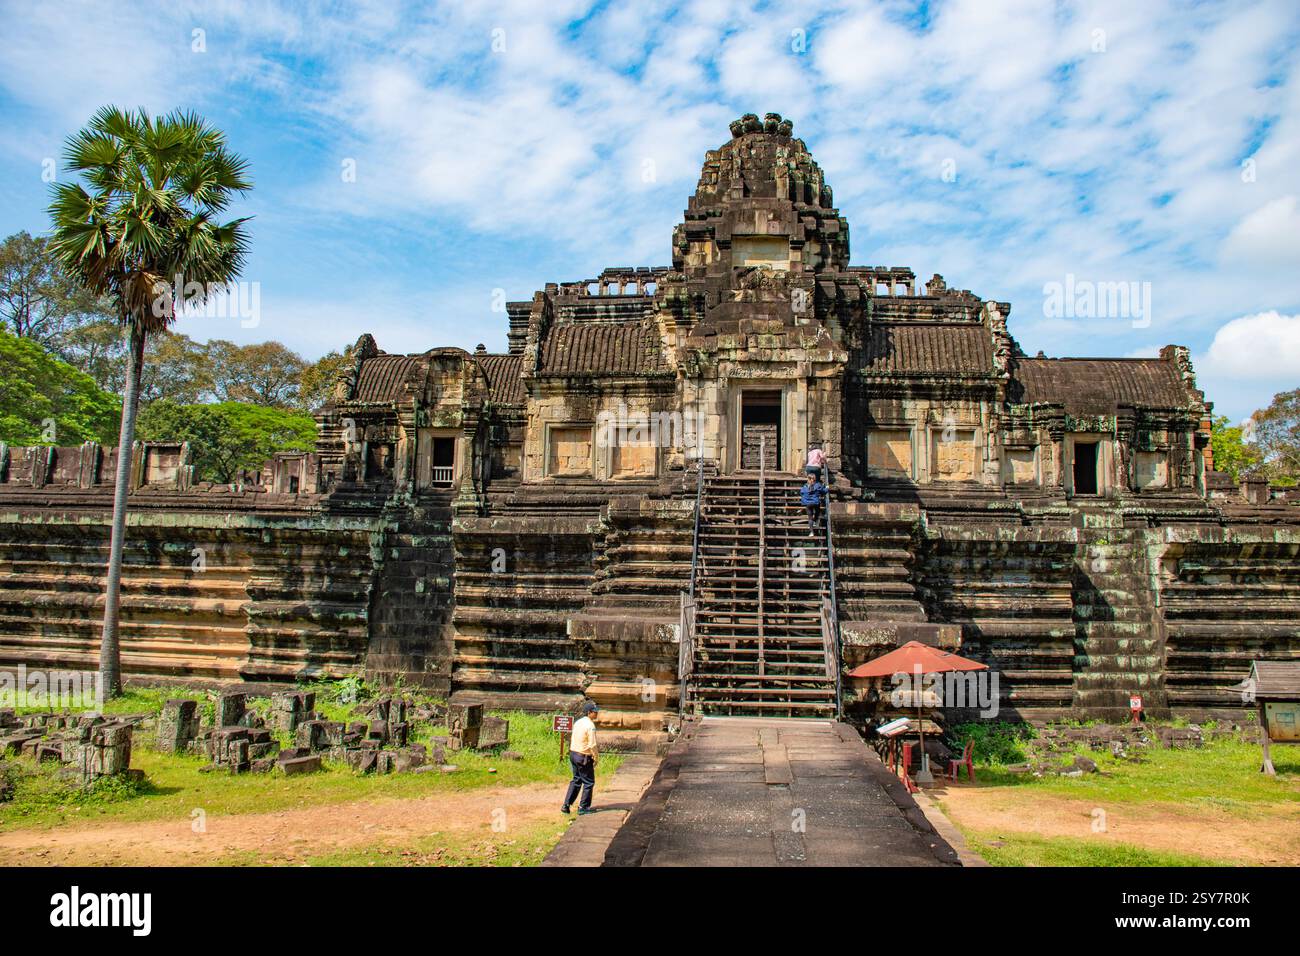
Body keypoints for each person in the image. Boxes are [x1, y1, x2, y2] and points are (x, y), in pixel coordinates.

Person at [562, 701, 600, 815]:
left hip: (573, 753)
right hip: (583, 756)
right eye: (595, 712)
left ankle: (566, 805)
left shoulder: (578, 722)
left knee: (576, 780)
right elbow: (592, 744)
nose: (596, 714)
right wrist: (596, 757)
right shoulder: (590, 725)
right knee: (588, 782)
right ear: (589, 712)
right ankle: (583, 807)